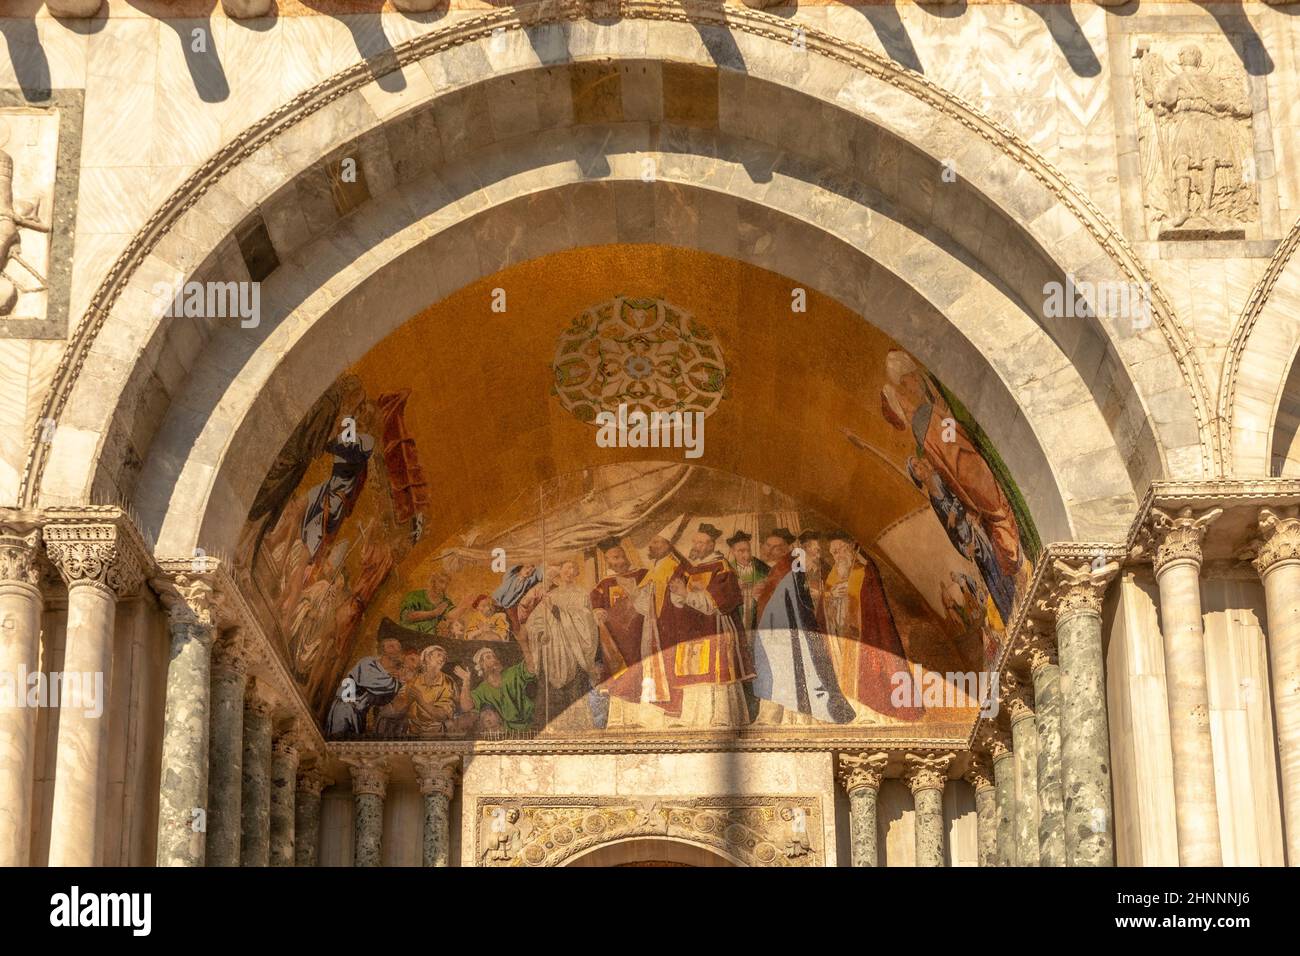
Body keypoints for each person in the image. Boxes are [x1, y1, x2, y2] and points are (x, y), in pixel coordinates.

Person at [659, 523, 753, 728]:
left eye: (702, 543)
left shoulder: (721, 566)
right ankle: (692, 717)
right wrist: (676, 592)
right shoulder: (687, 568)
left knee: (716, 670)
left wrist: (686, 594)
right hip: (692, 628)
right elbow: (676, 597)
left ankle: (721, 717)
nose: (697, 546)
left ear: (712, 544)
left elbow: (715, 603)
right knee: (691, 670)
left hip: (715, 626)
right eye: (695, 542)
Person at [526, 560, 602, 731]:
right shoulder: (550, 595)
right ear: (560, 571)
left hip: (574, 654)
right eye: (567, 568)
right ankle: (546, 730)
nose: (570, 571)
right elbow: (533, 622)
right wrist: (540, 632)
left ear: (577, 574)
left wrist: (557, 611)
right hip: (552, 653)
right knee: (550, 698)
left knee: (574, 695)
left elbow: (585, 622)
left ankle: (579, 731)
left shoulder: (581, 594)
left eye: (574, 569)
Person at [388, 645, 474, 737]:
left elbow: (442, 715)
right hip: (411, 733)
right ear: (427, 657)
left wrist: (420, 700)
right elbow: (397, 707)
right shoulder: (414, 679)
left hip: (436, 736)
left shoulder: (447, 682)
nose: (442, 658)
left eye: (444, 657)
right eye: (439, 655)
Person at [325, 637, 405, 737]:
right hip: (345, 707)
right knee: (338, 739)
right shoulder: (368, 662)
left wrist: (397, 682)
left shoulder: (395, 676)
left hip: (360, 713)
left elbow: (384, 699)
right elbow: (371, 682)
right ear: (383, 649)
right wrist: (393, 679)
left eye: (398, 647)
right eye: (391, 646)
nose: (396, 649)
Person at [470, 646, 536, 734]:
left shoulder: (512, 673)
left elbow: (531, 668)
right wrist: (466, 683)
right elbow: (467, 707)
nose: (494, 659)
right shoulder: (481, 690)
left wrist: (523, 643)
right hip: (506, 731)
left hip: (530, 727)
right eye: (489, 657)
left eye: (494, 657)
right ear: (481, 664)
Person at [399, 569, 455, 633]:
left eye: (447, 584)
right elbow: (406, 617)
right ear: (433, 580)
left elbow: (451, 616)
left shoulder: (446, 602)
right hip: (409, 633)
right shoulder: (415, 596)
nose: (444, 586)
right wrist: (434, 613)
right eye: (441, 581)